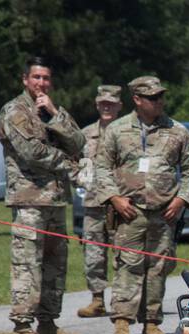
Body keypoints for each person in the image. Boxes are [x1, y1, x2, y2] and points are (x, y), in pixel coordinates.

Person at [92, 75, 189, 334]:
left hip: (165, 212)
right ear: (137, 100)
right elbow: (102, 167)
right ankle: (122, 322)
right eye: (153, 98)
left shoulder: (178, 131)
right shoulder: (117, 130)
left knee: (158, 267)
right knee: (127, 264)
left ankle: (152, 322)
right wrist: (114, 198)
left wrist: (181, 200)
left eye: (161, 96)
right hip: (129, 210)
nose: (159, 101)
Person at [0, 55, 84, 334]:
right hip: (29, 199)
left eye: (46, 78)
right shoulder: (15, 111)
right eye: (36, 77)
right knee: (27, 263)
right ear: (25, 79)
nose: (41, 83)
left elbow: (79, 142)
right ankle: (22, 327)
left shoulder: (51, 110)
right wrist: (71, 166)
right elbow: (32, 152)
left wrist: (56, 114)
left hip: (56, 201)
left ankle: (48, 322)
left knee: (55, 264)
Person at [75, 84, 121, 319]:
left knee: (122, 254)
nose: (106, 107)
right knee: (93, 253)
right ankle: (97, 299)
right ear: (96, 105)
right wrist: (79, 181)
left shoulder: (126, 132)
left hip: (120, 203)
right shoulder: (85, 134)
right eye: (102, 103)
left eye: (111, 104)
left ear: (119, 106)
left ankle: (122, 302)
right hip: (93, 203)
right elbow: (77, 164)